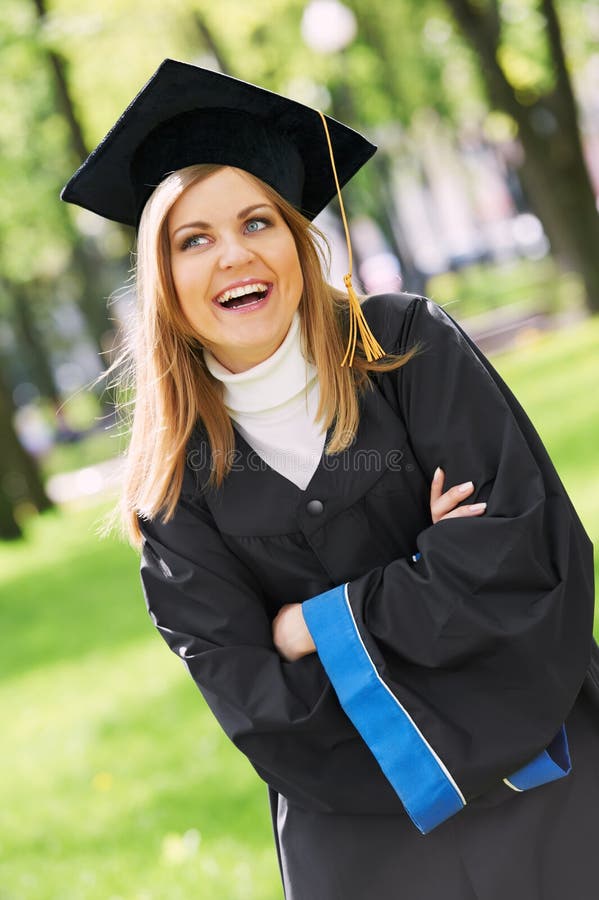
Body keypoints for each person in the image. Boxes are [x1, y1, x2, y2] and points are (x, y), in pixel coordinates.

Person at [62, 59, 599, 900]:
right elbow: (259, 706)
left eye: (256, 221)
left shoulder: (408, 350)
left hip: (553, 784)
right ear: (161, 276)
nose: (233, 256)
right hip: (363, 847)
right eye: (192, 239)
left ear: (297, 235)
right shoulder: (171, 484)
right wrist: (424, 572)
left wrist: (310, 627)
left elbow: (515, 563)